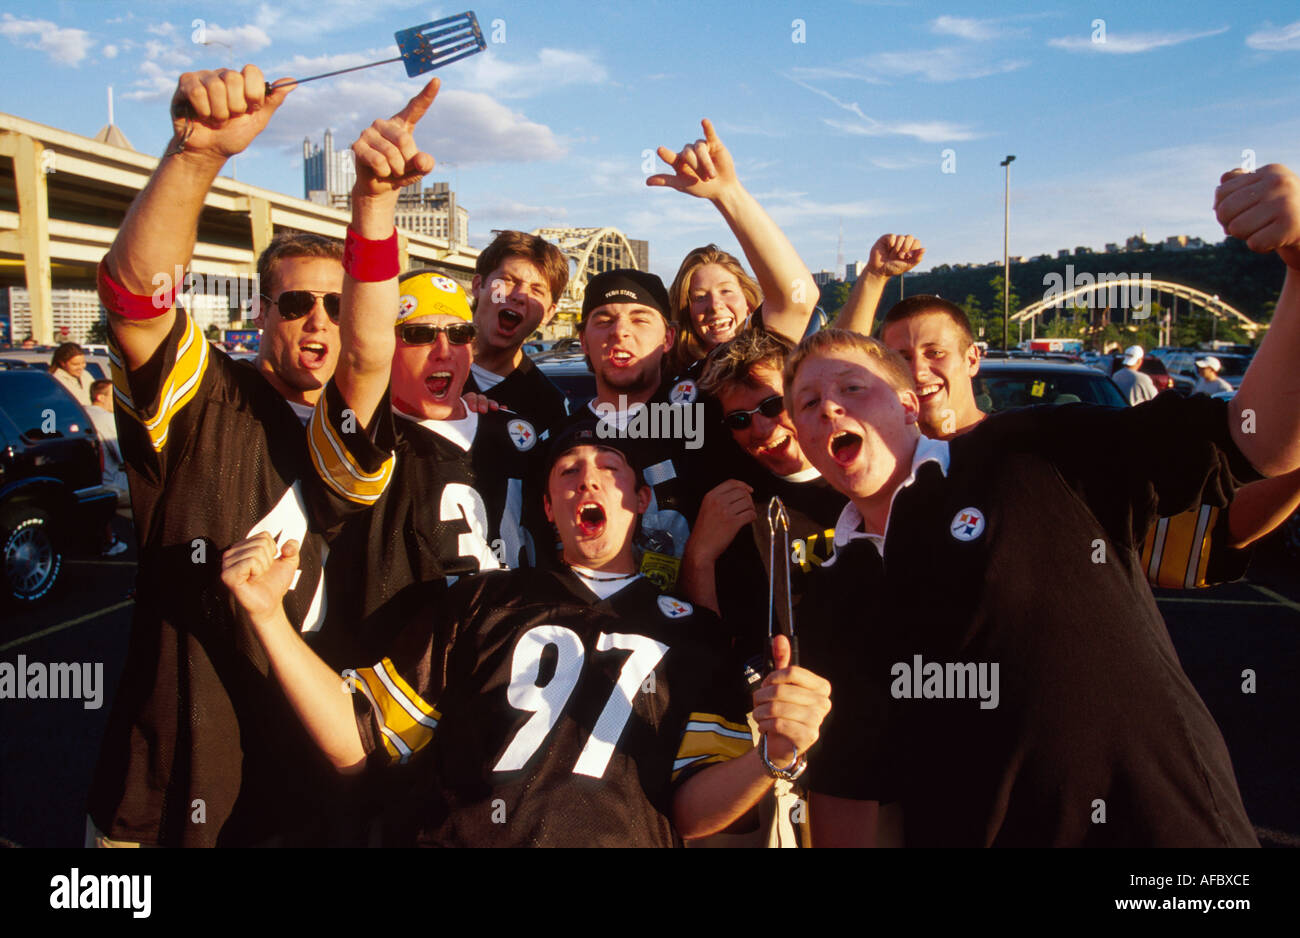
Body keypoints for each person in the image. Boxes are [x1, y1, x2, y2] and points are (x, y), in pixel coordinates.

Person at [221, 419, 834, 846]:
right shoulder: (481, 599)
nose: (587, 480)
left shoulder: (695, 633)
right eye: (567, 470)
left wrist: (770, 759)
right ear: (547, 509)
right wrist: (267, 618)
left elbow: (693, 811)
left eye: (609, 469)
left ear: (643, 498)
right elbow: (358, 740)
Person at [785, 318, 1279, 846]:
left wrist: (1295, 263)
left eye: (852, 388)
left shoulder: (1030, 452)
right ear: (807, 445)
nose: (829, 408)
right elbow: (850, 780)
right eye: (808, 404)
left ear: (908, 406)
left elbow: (1259, 439)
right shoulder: (830, 593)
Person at [87, 64, 340, 847]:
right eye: (296, 303)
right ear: (262, 311)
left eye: (338, 304)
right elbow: (136, 299)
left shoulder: (374, 438)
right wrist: (196, 159)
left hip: (310, 792)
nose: (319, 322)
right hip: (172, 788)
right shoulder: (208, 401)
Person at [305, 81, 544, 672]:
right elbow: (360, 354)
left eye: (459, 333)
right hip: (401, 700)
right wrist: (374, 203)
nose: (444, 348)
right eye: (417, 334)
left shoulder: (518, 432)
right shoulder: (370, 439)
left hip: (509, 686)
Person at [879, 295, 1300, 589]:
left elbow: (1217, 517)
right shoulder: (874, 476)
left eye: (935, 352)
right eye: (899, 358)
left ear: (972, 359)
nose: (918, 371)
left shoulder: (1059, 446)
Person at [648, 120, 818, 381]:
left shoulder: (770, 354)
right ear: (685, 311)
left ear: (749, 301)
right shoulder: (669, 378)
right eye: (699, 297)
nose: (715, 305)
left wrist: (727, 193)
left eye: (726, 291)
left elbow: (800, 295)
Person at [462, 230, 571, 436]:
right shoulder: (428, 364)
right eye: (508, 280)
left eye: (537, 290)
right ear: (478, 286)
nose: (520, 295)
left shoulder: (548, 404)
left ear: (549, 312)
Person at [87, 379, 131, 556]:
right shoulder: (106, 418)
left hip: (92, 482)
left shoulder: (84, 411)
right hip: (111, 484)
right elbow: (123, 455)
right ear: (100, 397)